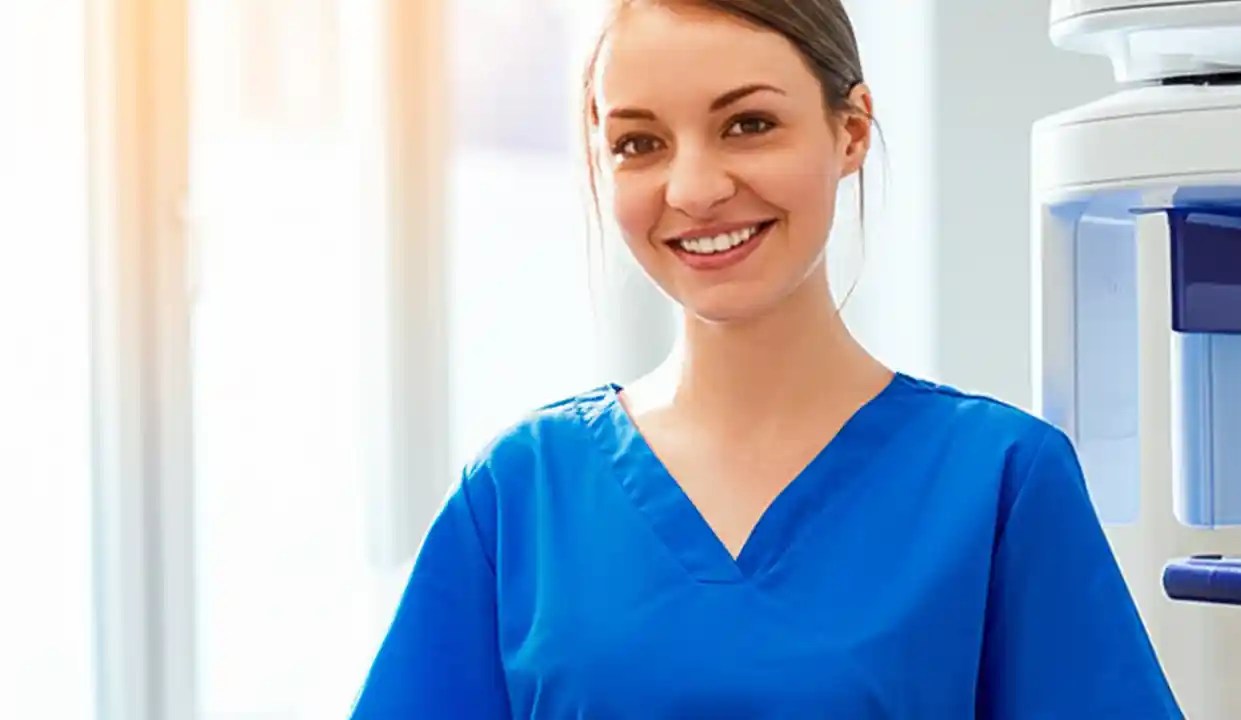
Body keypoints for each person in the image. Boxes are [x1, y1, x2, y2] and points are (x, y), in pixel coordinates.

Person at [349, 1, 1183, 717]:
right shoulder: (519, 495)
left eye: (747, 124)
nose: (694, 188)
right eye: (639, 144)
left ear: (850, 131)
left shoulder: (997, 482)